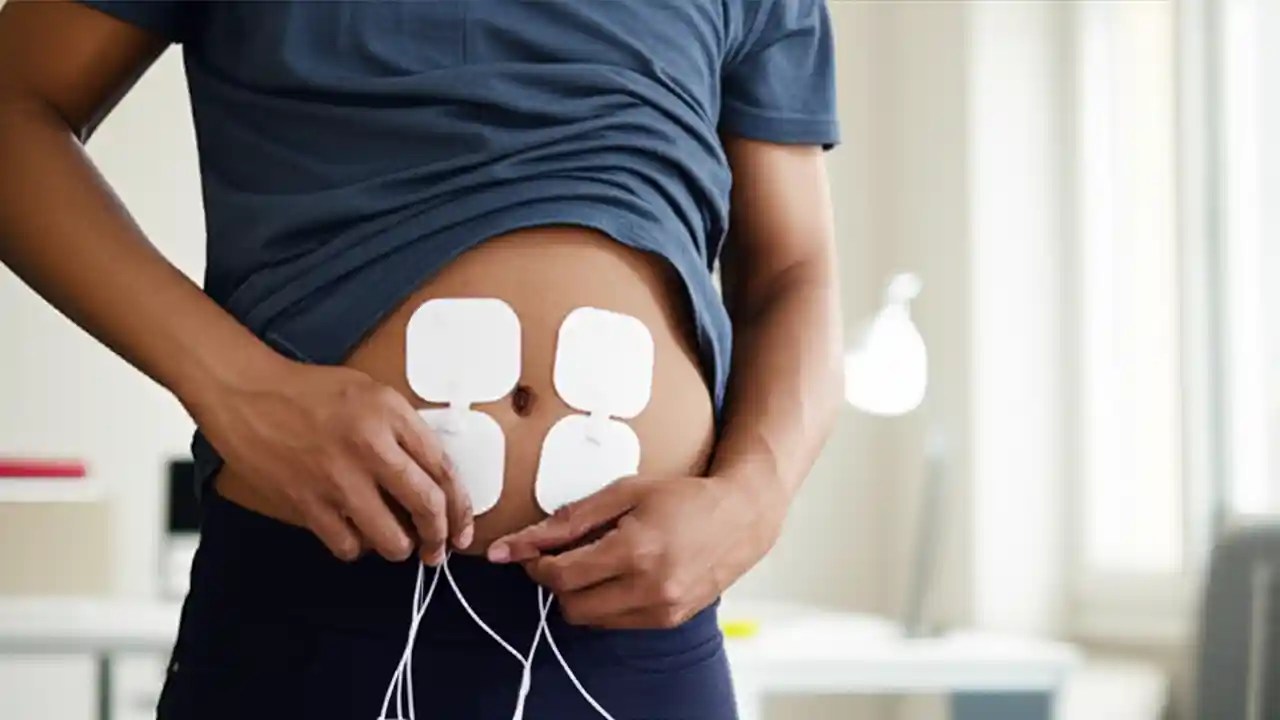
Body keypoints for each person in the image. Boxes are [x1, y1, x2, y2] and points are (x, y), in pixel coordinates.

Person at [0, 1, 843, 718]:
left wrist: (754, 497)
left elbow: (794, 268)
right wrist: (236, 386)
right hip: (313, 603)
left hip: (632, 631)